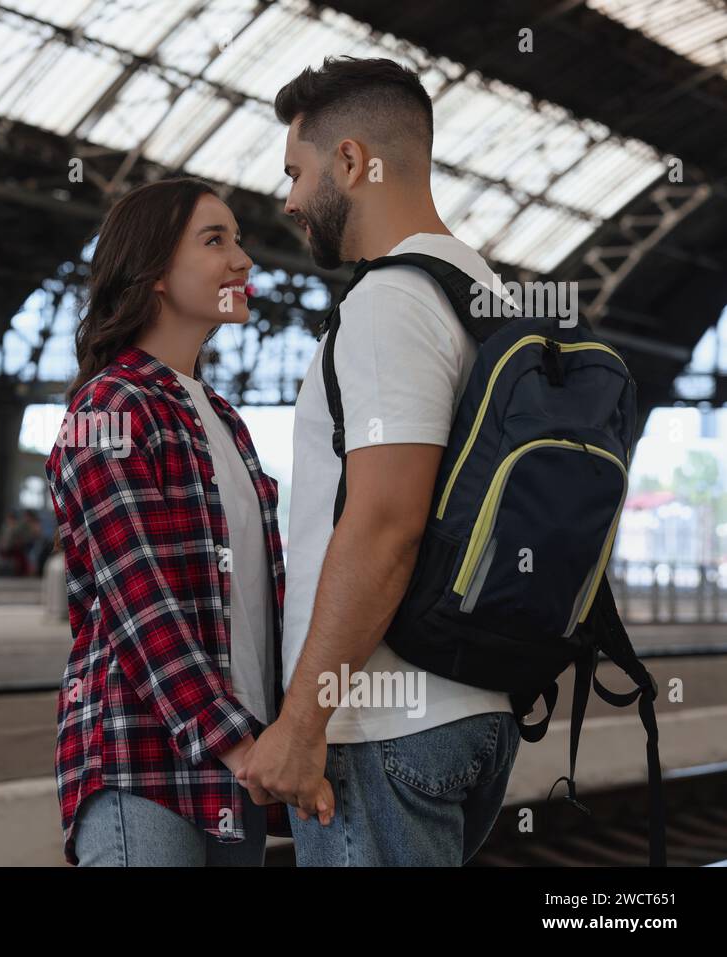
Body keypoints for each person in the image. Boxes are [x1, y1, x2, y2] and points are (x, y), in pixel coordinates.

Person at [238, 56, 520, 866]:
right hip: (469, 704)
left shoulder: (389, 304)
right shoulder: (478, 293)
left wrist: (303, 721)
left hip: (385, 723)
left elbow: (386, 523)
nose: (290, 199)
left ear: (354, 162)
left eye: (297, 171)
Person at [45, 176, 322, 866]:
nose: (243, 261)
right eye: (215, 240)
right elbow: (144, 606)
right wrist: (243, 743)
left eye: (239, 240)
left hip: (237, 767)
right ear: (155, 271)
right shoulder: (108, 409)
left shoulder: (222, 418)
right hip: (146, 764)